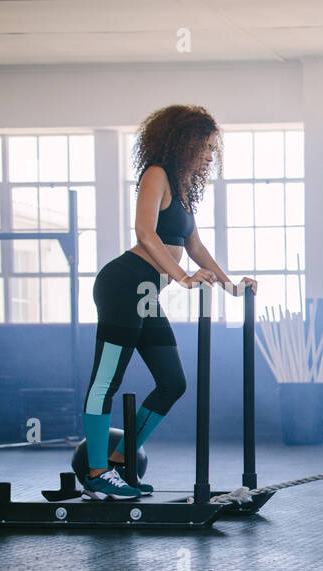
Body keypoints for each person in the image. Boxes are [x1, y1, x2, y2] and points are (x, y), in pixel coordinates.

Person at [80, 104, 257, 499]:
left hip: (146, 293)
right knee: (106, 381)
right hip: (123, 285)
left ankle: (122, 462)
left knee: (172, 382)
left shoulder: (182, 191)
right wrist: (182, 278)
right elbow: (145, 232)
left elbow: (195, 247)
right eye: (207, 147)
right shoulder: (156, 175)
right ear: (185, 141)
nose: (212, 156)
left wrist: (231, 287)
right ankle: (95, 474)